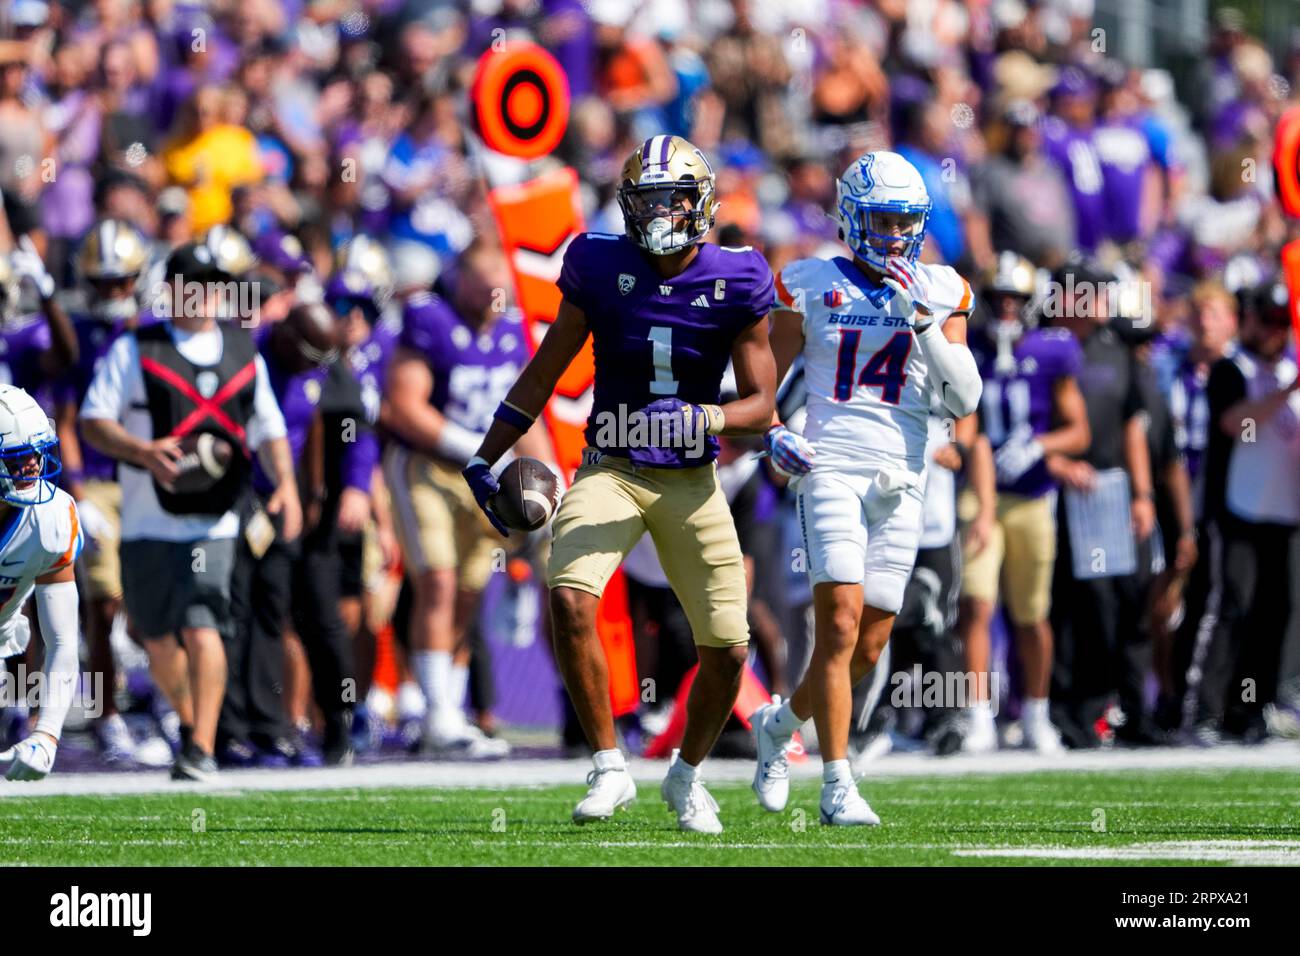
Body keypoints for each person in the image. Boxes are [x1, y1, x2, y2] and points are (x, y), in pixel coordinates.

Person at [462, 135, 777, 832]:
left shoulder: (741, 276)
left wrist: (706, 415)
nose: (660, 213)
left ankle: (686, 776)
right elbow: (544, 371)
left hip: (691, 482)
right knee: (570, 598)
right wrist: (485, 456)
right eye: (647, 200)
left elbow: (764, 406)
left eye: (673, 199)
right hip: (611, 467)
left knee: (727, 650)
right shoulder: (598, 263)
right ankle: (609, 766)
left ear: (702, 204)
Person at [752, 150, 982, 825]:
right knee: (842, 621)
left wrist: (920, 322)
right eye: (882, 219)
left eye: (906, 221)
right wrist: (774, 430)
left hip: (904, 473)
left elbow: (964, 398)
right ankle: (836, 781)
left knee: (870, 641)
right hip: (832, 461)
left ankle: (778, 724)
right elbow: (764, 379)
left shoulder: (940, 288)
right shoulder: (809, 282)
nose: (894, 235)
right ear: (852, 215)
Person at [79, 241, 300, 781]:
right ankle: (190, 722)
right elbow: (92, 420)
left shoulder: (242, 351)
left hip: (216, 519)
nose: (204, 294)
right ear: (172, 289)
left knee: (204, 625)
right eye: (193, 283)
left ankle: (201, 744)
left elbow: (268, 426)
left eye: (213, 283)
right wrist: (143, 453)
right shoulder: (136, 349)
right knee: (153, 636)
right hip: (146, 517)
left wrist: (287, 486)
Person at [956, 252, 1090, 753]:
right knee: (975, 603)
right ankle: (978, 715)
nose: (1007, 308)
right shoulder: (969, 346)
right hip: (980, 495)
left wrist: (1040, 445)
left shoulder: (1054, 350)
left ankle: (1036, 713)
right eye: (998, 299)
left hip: (1033, 496)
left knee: (1032, 614)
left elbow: (1079, 431)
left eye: (1015, 299)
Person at [54, 218, 151, 763]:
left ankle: (160, 705)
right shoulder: (80, 334)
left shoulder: (156, 331)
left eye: (120, 282)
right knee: (105, 604)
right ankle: (107, 715)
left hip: (146, 479)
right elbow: (66, 417)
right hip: (97, 480)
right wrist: (77, 490)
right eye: (101, 283)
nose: (111, 293)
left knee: (156, 605)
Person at [1192, 280, 1300, 744]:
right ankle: (1206, 712)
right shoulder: (1231, 369)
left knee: (1274, 612)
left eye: (1283, 323)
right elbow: (1239, 424)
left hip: (1281, 513)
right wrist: (1289, 387)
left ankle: (1251, 708)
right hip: (1237, 512)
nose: (1275, 333)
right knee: (1233, 606)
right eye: (1268, 322)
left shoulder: (1288, 374)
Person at [0, 385, 85, 782]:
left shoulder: (49, 519)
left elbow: (63, 639)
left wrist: (47, 734)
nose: (32, 467)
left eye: (36, 453)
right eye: (17, 458)